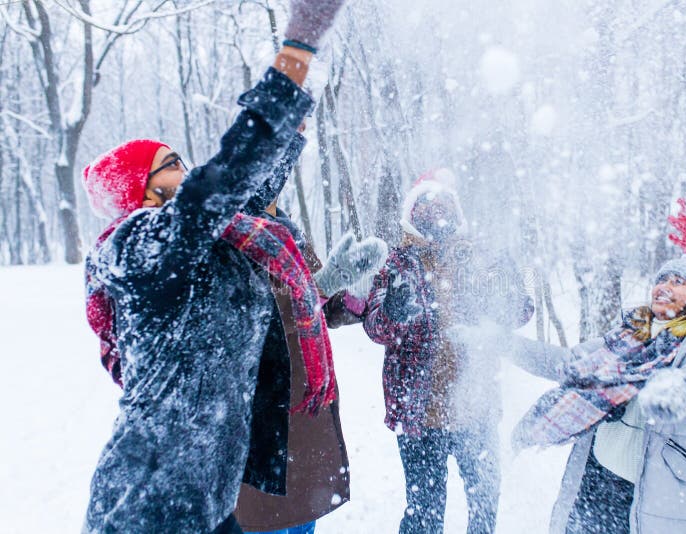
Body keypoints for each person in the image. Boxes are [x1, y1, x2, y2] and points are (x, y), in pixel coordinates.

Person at [80, 2, 350, 532]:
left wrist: (308, 81)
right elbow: (222, 181)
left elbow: (257, 172)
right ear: (145, 189)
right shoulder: (135, 249)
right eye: (172, 164)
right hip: (146, 506)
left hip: (213, 503)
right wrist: (295, 50)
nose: (187, 168)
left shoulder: (219, 240)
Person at [503, 200, 686, 534]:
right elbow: (568, 363)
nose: (665, 286)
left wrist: (672, 390)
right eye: (663, 278)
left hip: (652, 501)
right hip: (595, 484)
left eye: (679, 282)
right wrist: (502, 343)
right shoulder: (630, 336)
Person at [363, 170, 534, 534]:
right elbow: (375, 327)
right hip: (419, 414)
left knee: (485, 504)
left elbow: (518, 314)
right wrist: (393, 312)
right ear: (411, 215)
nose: (435, 214)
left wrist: (511, 286)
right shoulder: (396, 264)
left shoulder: (479, 258)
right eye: (425, 207)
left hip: (477, 408)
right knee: (423, 512)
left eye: (443, 206)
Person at [232, 148, 387, 533]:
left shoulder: (290, 236)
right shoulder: (231, 242)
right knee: (266, 518)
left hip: (306, 405)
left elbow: (321, 309)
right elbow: (255, 320)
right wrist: (321, 287)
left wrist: (353, 299)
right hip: (264, 407)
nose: (277, 187)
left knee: (302, 516)